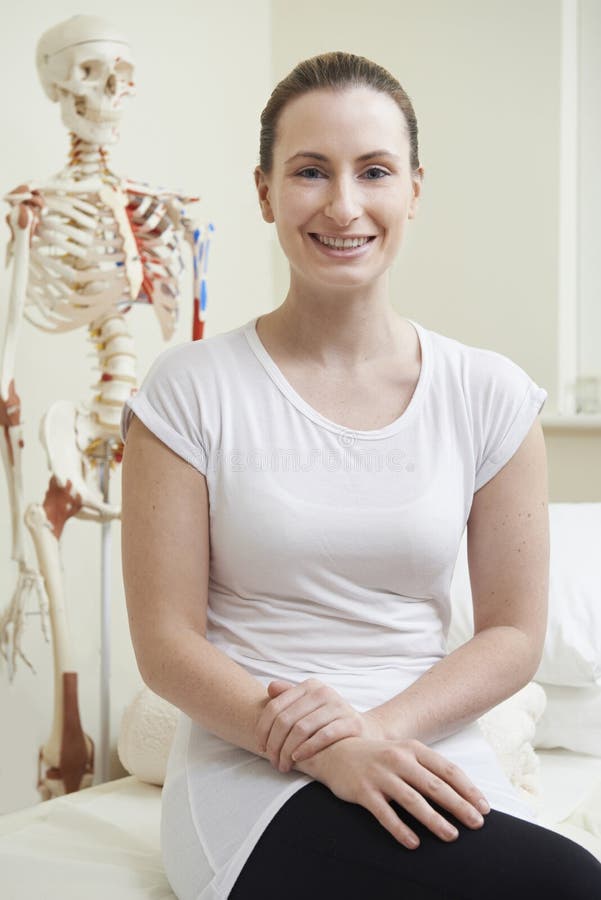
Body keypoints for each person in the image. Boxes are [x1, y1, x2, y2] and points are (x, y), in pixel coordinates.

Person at [120, 51, 601, 900]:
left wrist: (372, 735)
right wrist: (326, 751)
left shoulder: (488, 395)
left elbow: (512, 636)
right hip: (253, 769)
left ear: (414, 187)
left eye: (373, 170)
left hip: (419, 745)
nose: (343, 205)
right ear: (266, 192)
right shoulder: (188, 390)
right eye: (310, 171)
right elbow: (166, 645)